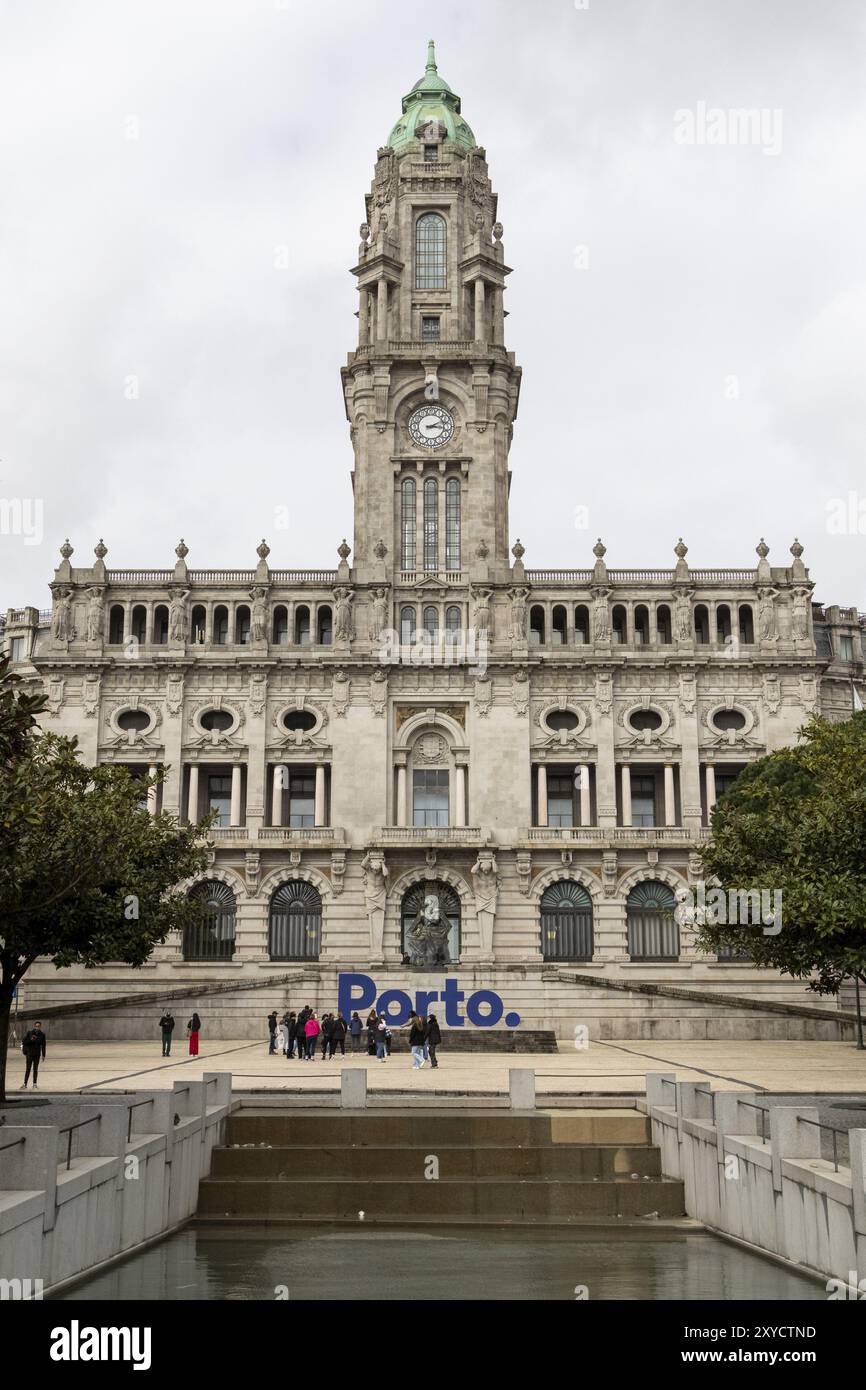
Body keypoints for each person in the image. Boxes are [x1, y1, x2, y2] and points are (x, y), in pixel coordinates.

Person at [20, 1022, 46, 1090]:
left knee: (35, 1069)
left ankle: (34, 1084)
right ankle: (25, 1084)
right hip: (29, 1054)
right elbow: (24, 1042)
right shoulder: (30, 1033)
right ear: (34, 1026)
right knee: (28, 1069)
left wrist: (43, 1055)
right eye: (36, 1026)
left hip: (37, 1054)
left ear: (40, 1027)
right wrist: (31, 1040)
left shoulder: (42, 1035)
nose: (37, 1028)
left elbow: (43, 1045)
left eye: (38, 1026)